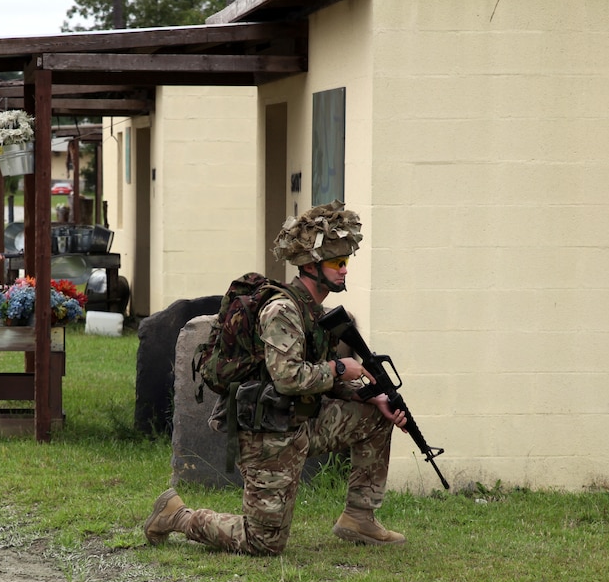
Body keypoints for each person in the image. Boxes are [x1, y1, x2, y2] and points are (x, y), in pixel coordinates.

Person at [143, 201, 410, 555]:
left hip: (303, 424)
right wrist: (340, 369)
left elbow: (317, 375)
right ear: (312, 266)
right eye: (337, 263)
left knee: (378, 416)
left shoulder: (312, 312)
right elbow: (289, 378)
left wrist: (365, 395)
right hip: (268, 436)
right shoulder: (282, 310)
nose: (345, 270)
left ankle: (359, 518)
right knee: (263, 543)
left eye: (346, 262)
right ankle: (176, 515)